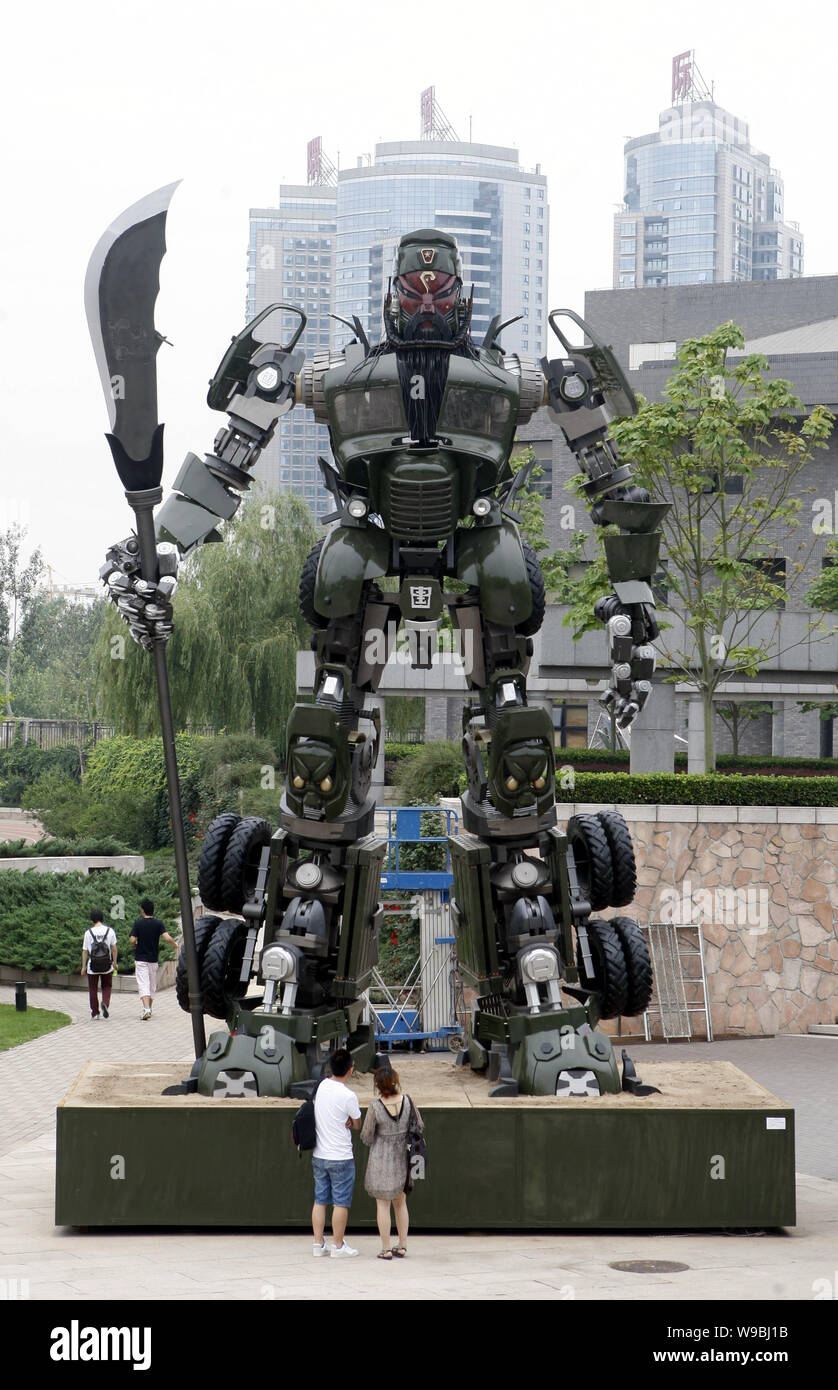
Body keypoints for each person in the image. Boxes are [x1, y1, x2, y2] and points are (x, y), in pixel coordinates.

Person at [361, 1066, 423, 1259]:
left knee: (382, 1205)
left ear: (377, 1086)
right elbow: (419, 1125)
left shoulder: (375, 1106)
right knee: (401, 1203)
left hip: (381, 1159)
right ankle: (402, 1245)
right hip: (403, 1157)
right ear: (396, 1081)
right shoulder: (408, 1100)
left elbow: (367, 1136)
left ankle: (386, 1248)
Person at [311, 1047, 362, 1258]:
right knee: (341, 1202)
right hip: (340, 1156)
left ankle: (318, 1244)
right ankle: (338, 1246)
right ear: (350, 1070)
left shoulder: (322, 1085)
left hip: (319, 1154)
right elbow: (357, 1124)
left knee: (320, 1200)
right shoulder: (349, 1095)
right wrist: (350, 1121)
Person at [129, 898, 179, 1021]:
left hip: (141, 958)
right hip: (153, 959)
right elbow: (167, 938)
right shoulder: (158, 923)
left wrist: (135, 946)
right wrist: (175, 945)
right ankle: (149, 1008)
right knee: (152, 985)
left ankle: (146, 1009)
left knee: (143, 984)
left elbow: (132, 940)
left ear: (142, 910)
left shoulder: (138, 923)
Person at [81, 910, 118, 1020]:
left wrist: (83, 966)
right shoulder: (110, 931)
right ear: (102, 918)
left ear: (92, 919)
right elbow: (114, 948)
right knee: (107, 986)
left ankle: (95, 1013)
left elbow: (85, 951)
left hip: (93, 966)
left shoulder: (88, 933)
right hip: (107, 965)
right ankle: (105, 1003)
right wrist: (115, 963)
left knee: (93, 989)